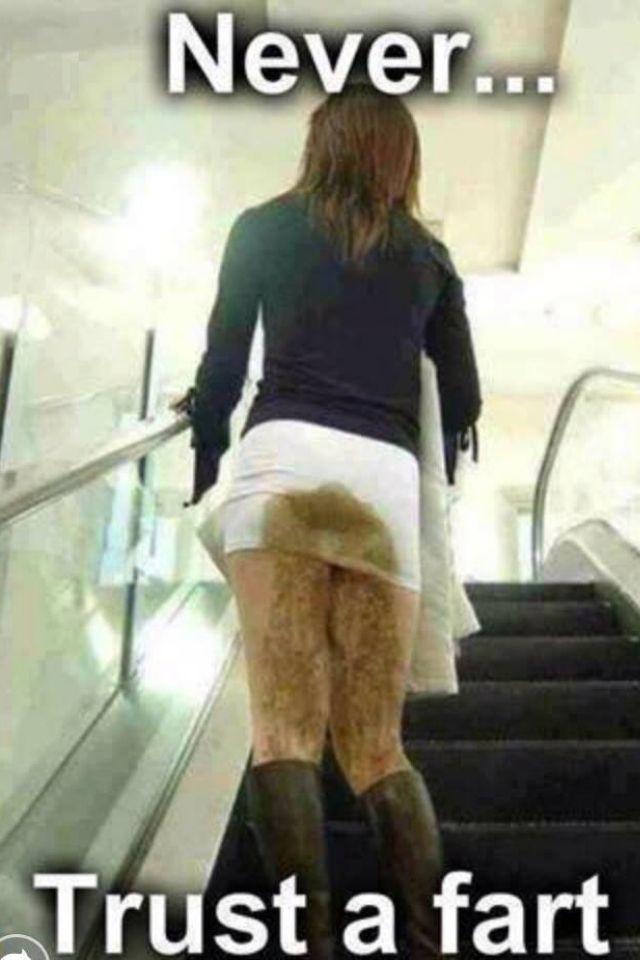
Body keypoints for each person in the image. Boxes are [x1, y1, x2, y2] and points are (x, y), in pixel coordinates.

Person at [180, 83, 481, 959]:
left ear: (319, 145)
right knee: (377, 746)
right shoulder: (429, 256)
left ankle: (307, 943)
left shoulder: (262, 227)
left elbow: (224, 365)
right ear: (402, 158)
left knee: (284, 730)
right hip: (381, 484)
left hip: (281, 466)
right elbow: (463, 399)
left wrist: (204, 441)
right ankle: (426, 941)